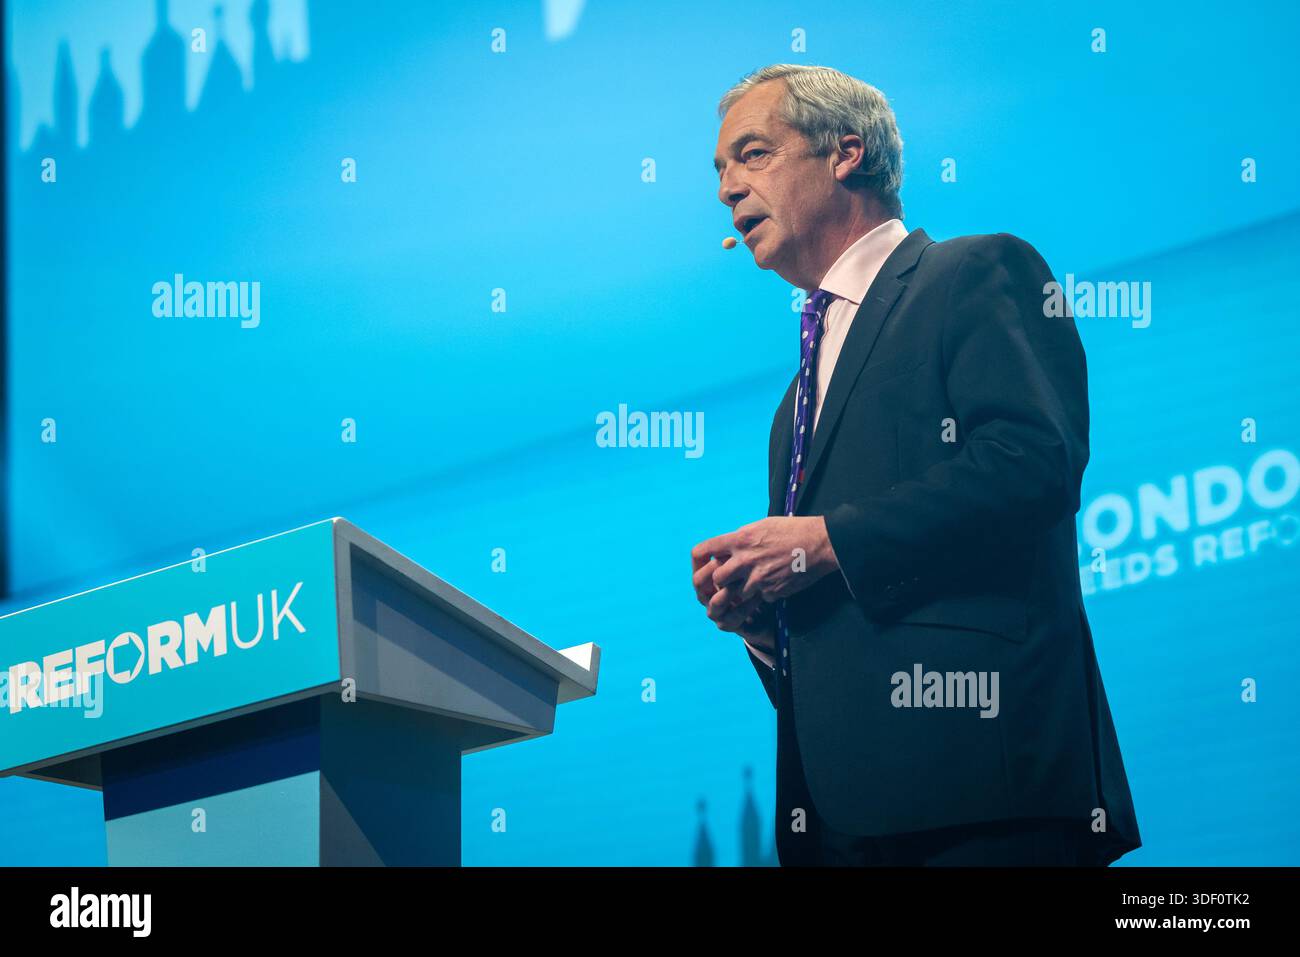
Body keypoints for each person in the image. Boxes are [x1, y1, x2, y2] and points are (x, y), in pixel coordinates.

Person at [691, 64, 1140, 866]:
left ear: (846, 152)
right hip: (840, 827)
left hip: (983, 798)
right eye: (720, 172)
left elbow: (1033, 462)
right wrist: (766, 624)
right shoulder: (791, 408)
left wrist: (826, 541)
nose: (728, 190)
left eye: (752, 155)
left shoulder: (975, 272)